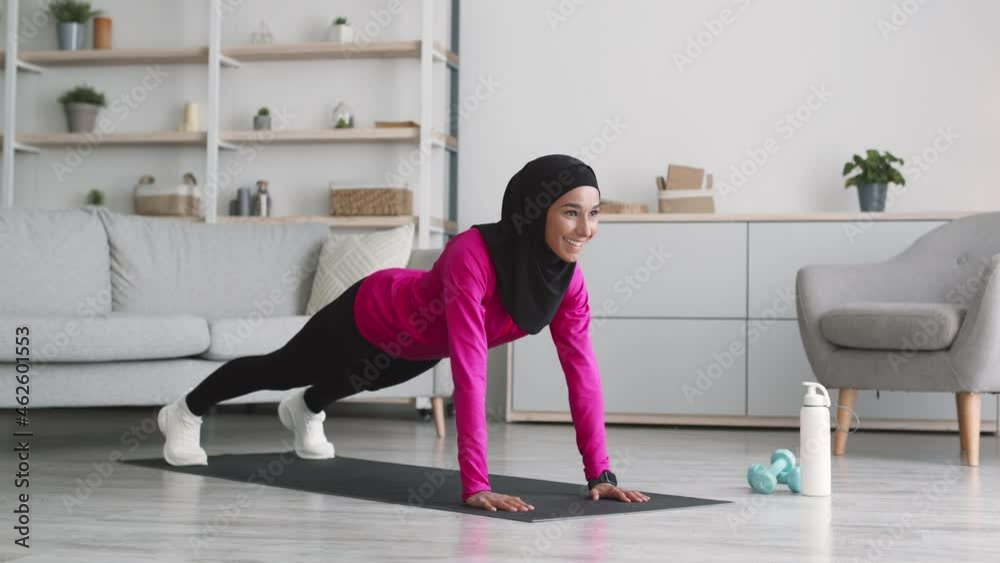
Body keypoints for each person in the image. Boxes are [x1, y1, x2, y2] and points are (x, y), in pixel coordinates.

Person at [157, 154, 649, 512]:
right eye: (570, 211)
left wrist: (600, 473)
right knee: (284, 368)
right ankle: (184, 411)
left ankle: (306, 409)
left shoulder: (567, 282)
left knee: (363, 380)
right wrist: (475, 484)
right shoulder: (471, 255)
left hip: (420, 346)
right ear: (534, 209)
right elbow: (472, 370)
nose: (585, 228)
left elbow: (581, 369)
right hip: (371, 311)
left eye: (594, 212)